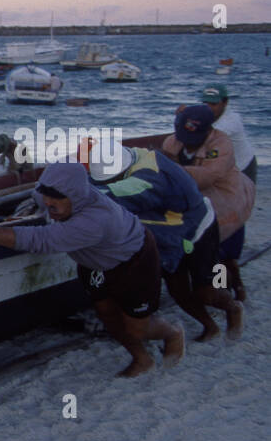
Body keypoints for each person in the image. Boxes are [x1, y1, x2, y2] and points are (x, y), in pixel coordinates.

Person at [0, 160, 184, 377]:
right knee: (107, 315)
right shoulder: (50, 195)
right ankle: (141, 359)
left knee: (137, 328)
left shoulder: (96, 219)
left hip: (133, 260)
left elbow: (41, 241)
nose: (49, 203)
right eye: (46, 195)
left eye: (57, 199)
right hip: (93, 263)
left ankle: (173, 333)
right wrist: (24, 210)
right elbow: (39, 196)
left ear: (76, 197)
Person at [91, 140, 242, 341]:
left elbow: (108, 196)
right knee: (178, 289)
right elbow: (96, 185)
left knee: (207, 291)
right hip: (167, 231)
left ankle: (233, 307)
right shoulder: (133, 154)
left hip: (198, 227)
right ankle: (211, 327)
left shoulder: (147, 177)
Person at [162, 105, 254, 302]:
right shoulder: (172, 142)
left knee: (223, 257)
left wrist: (173, 171)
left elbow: (209, 176)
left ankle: (229, 290)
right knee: (209, 254)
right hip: (197, 203)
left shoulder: (222, 143)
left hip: (226, 202)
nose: (189, 143)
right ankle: (218, 287)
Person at [199, 84, 256, 183]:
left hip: (243, 166)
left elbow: (204, 138)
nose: (208, 108)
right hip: (223, 163)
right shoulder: (206, 115)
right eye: (205, 103)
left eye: (213, 104)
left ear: (225, 102)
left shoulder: (231, 121)